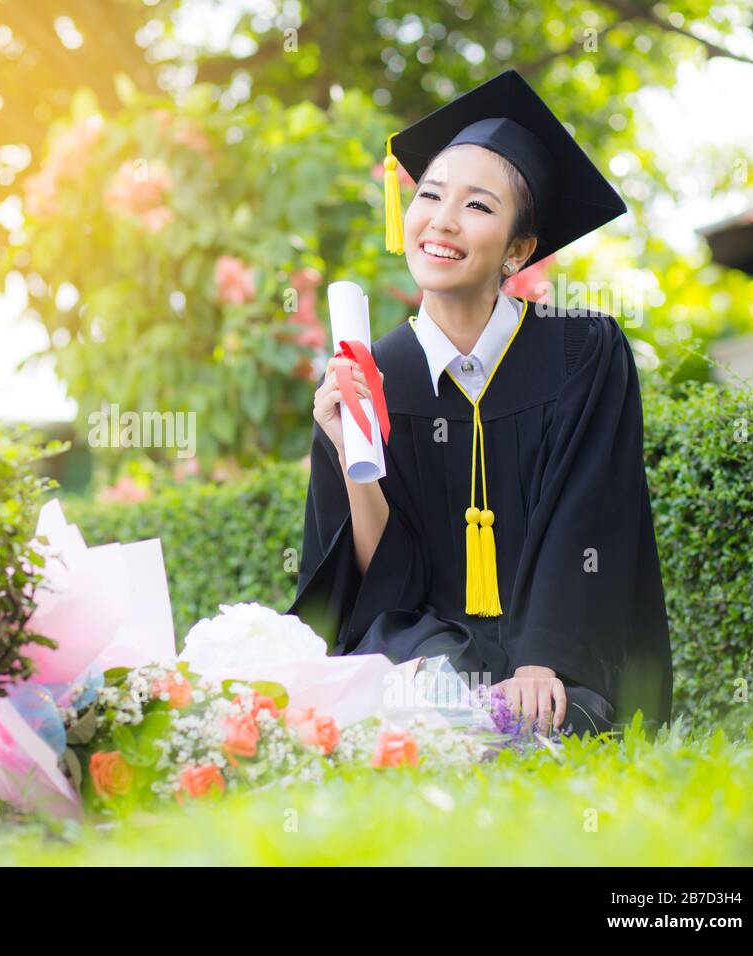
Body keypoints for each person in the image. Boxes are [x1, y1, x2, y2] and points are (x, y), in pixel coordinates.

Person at [287, 69, 673, 739]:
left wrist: (542, 660)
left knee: (544, 716)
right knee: (413, 705)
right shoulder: (370, 375)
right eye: (430, 194)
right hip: (422, 653)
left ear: (519, 250)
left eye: (478, 206)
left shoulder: (583, 352)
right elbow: (382, 591)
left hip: (555, 666)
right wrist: (356, 451)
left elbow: (588, 519)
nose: (441, 220)